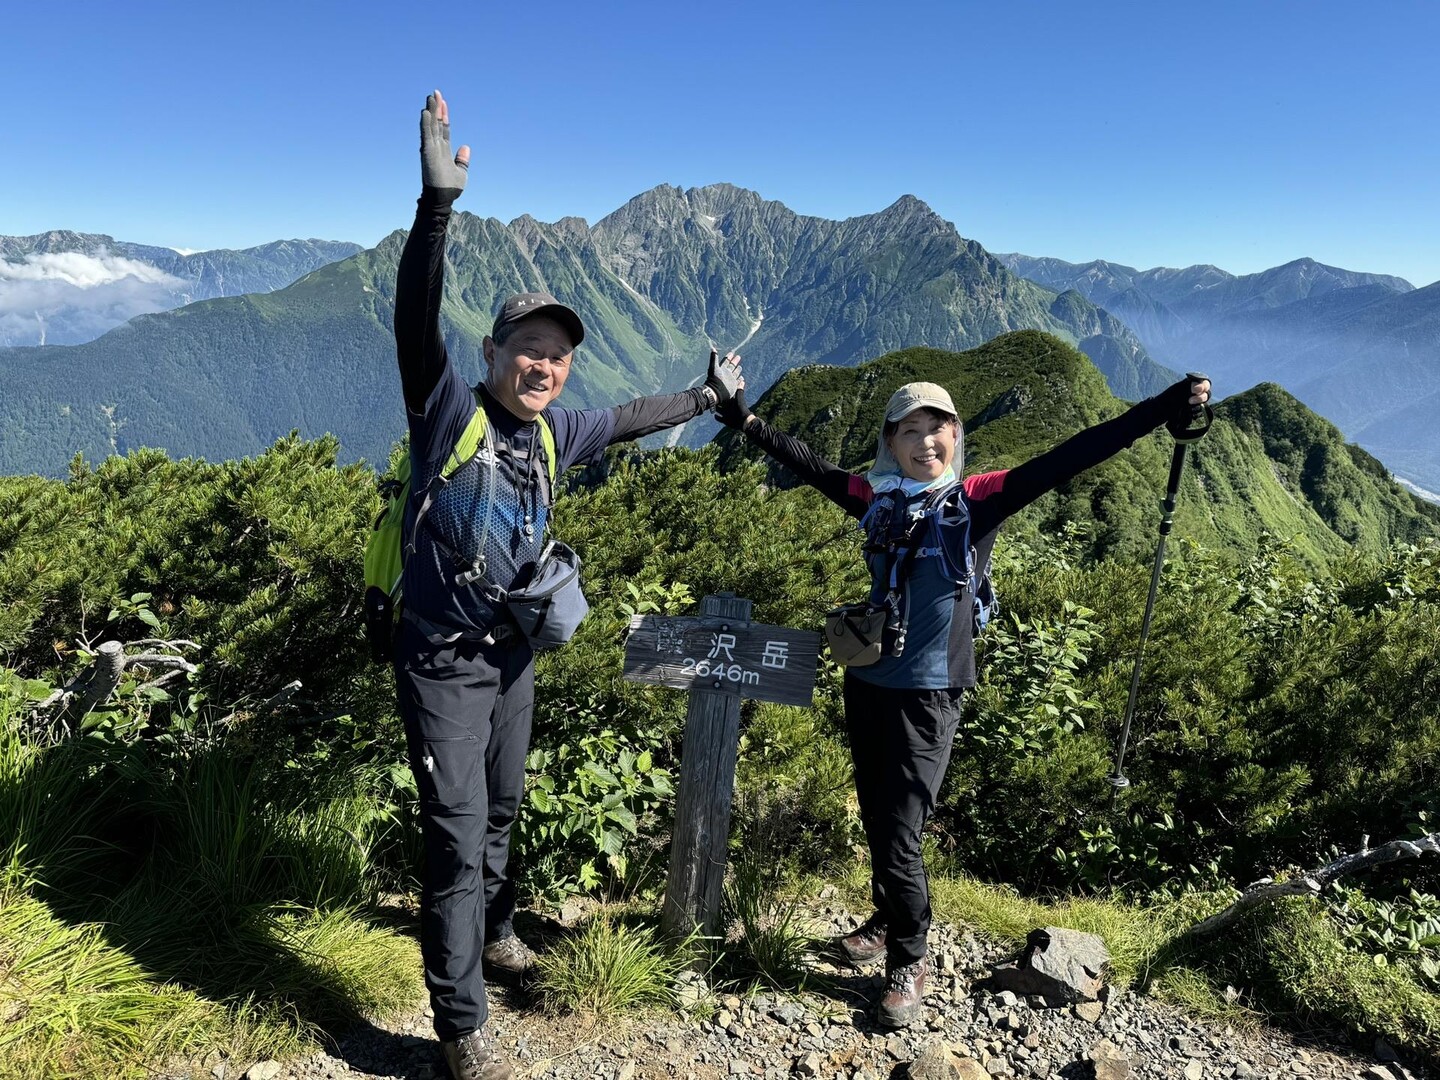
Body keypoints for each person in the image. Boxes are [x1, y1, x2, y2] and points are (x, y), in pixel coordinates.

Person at [393, 90, 743, 1080]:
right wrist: (436, 208)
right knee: (458, 835)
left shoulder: (553, 432)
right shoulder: (446, 411)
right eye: (527, 350)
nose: (542, 366)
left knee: (503, 808)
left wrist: (707, 397)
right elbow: (412, 317)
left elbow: (630, 417)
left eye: (556, 355)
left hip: (513, 655)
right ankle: (460, 1024)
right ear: (492, 354)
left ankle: (499, 931)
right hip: (442, 662)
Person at [715, 372, 1210, 1028]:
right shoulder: (878, 500)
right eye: (910, 432)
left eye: (937, 429)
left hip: (929, 695)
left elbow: (1074, 454)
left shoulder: (974, 501)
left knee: (900, 833)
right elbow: (813, 466)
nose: (925, 442)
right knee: (879, 818)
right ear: (891, 442)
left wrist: (1164, 407)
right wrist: (746, 422)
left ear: (956, 435)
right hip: (867, 682)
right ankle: (889, 917)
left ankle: (908, 958)